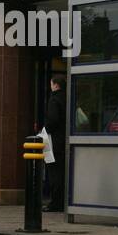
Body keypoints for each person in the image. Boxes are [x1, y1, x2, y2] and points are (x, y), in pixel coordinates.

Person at [44, 75, 66, 211]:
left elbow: (52, 121)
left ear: (56, 85)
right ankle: (63, 202)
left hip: (55, 142)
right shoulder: (68, 97)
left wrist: (43, 131)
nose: (50, 87)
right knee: (63, 172)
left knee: (54, 173)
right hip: (65, 141)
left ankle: (55, 203)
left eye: (51, 84)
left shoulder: (54, 99)